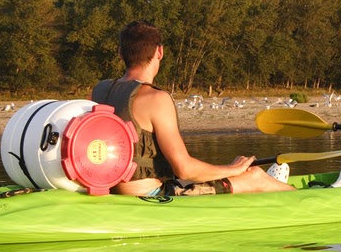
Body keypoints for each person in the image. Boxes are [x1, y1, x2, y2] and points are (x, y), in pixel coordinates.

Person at [92, 21, 294, 196]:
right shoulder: (156, 98)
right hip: (152, 194)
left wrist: (228, 171)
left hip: (111, 190)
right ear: (159, 51)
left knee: (237, 173)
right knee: (254, 176)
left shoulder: (99, 91)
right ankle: (303, 197)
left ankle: (271, 182)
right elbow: (184, 170)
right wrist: (231, 169)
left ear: (120, 53)